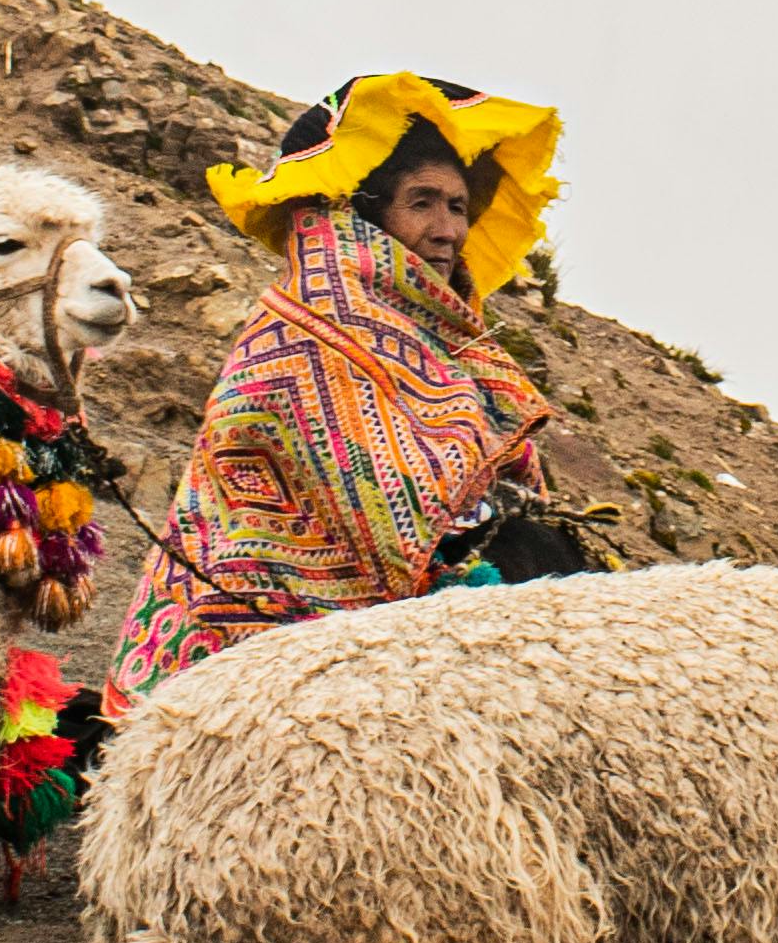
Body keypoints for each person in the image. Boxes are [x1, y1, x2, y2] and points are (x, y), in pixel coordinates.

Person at [109, 73, 564, 699]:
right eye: (423, 201)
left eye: (458, 207)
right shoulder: (298, 333)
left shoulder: (450, 343)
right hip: (256, 651)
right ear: (366, 214)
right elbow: (378, 502)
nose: (447, 230)